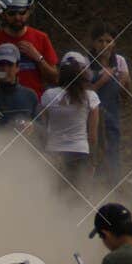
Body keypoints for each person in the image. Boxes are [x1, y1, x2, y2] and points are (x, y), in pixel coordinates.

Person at [36, 51, 99, 189]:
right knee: (78, 194)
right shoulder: (91, 97)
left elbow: (43, 126)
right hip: (80, 151)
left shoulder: (48, 95)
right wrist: (93, 161)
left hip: (54, 151)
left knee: (54, 194)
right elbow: (93, 136)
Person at [0, 0, 58, 96]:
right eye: (12, 13)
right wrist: (7, 74)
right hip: (4, 102)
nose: (17, 17)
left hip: (36, 102)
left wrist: (38, 58)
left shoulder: (41, 38)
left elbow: (55, 79)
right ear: (4, 14)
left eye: (22, 12)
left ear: (28, 12)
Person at [87, 25, 130, 187]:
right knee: (94, 153)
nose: (104, 45)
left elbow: (125, 97)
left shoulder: (120, 61)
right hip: (91, 116)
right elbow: (82, 93)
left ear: (114, 42)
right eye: (100, 41)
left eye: (108, 41)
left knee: (113, 153)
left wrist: (125, 82)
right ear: (93, 43)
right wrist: (102, 80)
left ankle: (113, 187)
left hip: (112, 114)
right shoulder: (86, 62)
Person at [0, 44, 39, 129]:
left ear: (17, 67)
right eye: (1, 64)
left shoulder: (30, 95)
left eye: (10, 64)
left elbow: (41, 127)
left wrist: (33, 127)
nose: (5, 69)